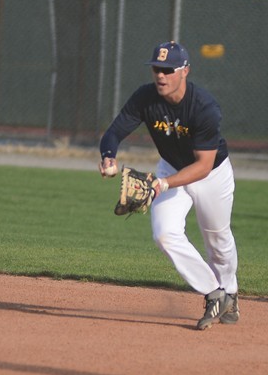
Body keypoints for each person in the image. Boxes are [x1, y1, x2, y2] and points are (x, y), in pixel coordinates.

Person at [99, 41, 239, 331]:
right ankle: (214, 292)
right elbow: (114, 131)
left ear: (185, 71)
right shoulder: (146, 98)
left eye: (167, 70)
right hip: (171, 167)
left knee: (217, 239)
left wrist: (163, 183)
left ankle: (230, 291)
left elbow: (202, 166)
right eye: (156, 69)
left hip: (211, 175)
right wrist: (108, 156)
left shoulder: (204, 107)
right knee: (164, 234)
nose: (160, 76)